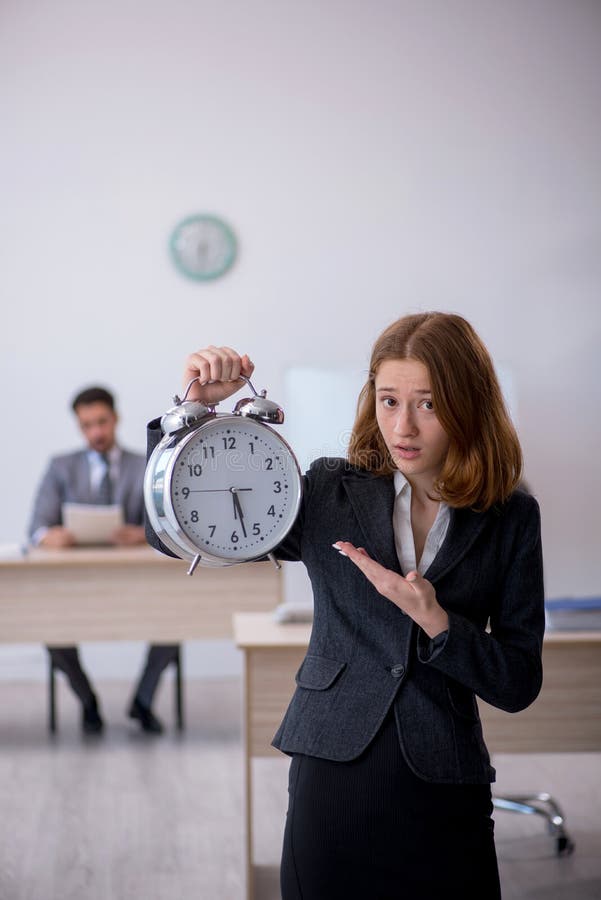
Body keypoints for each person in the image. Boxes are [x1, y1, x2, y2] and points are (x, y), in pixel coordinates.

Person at [146, 319, 544, 899]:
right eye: (389, 401)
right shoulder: (329, 489)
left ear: (469, 406)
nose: (402, 426)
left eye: (428, 404)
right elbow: (176, 533)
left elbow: (519, 682)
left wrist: (437, 622)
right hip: (331, 767)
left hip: (444, 775)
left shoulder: (511, 517)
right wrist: (194, 416)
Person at [29, 386, 179, 735]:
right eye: (86, 425)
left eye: (101, 422)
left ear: (115, 419)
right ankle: (87, 701)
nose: (96, 432)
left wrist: (142, 533)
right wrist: (50, 536)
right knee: (48, 630)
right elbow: (36, 527)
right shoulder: (60, 467)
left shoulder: (145, 464)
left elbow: (167, 523)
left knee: (176, 622)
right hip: (75, 585)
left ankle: (142, 701)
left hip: (135, 584)